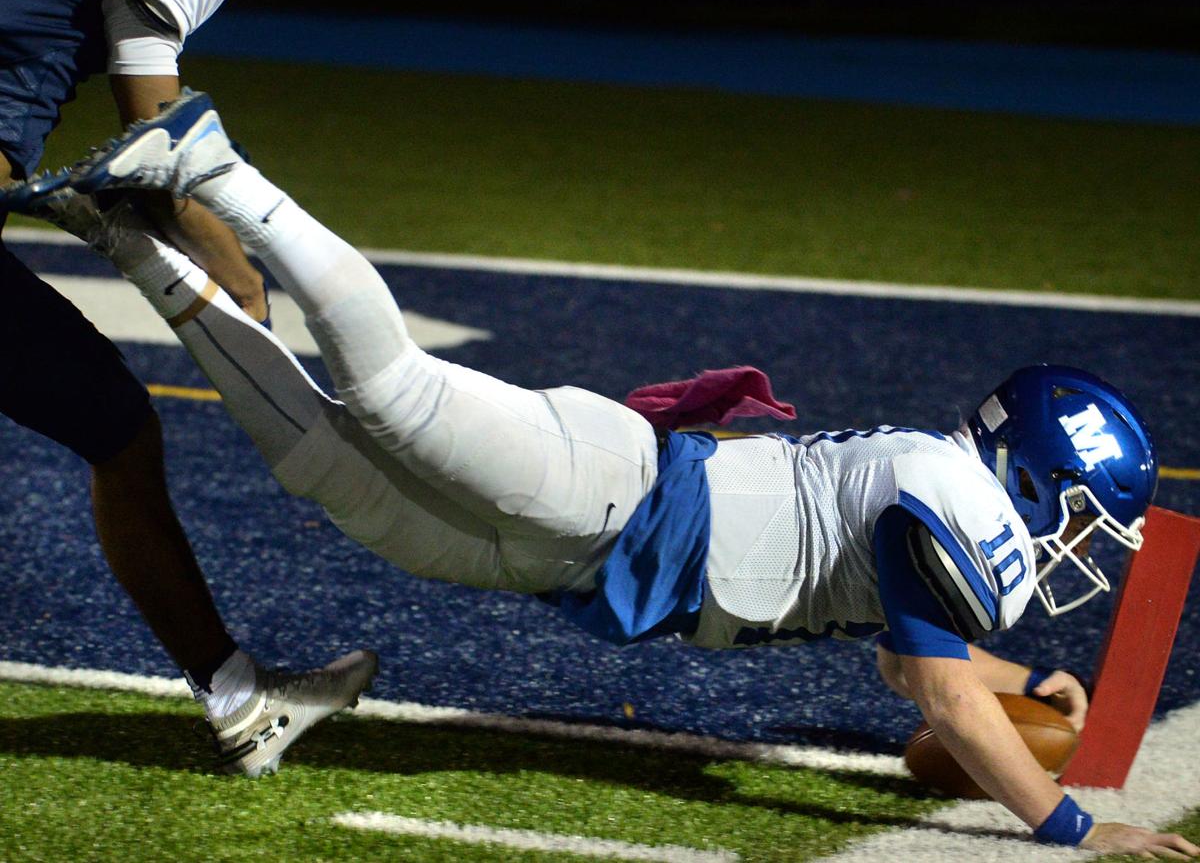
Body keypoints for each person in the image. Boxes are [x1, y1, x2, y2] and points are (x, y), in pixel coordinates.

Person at [6, 90, 1197, 858]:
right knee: (388, 392)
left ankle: (123, 238)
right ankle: (216, 169)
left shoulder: (939, 511)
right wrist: (1076, 830)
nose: (1085, 549)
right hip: (615, 494)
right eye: (1090, 520)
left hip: (578, 559)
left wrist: (1026, 667)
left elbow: (909, 657)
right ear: (1039, 479)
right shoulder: (956, 506)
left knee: (316, 461)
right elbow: (941, 703)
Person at [0, 0, 375, 776]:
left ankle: (240, 694)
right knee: (122, 436)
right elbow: (158, 147)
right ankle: (242, 701)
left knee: (113, 424)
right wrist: (240, 279)